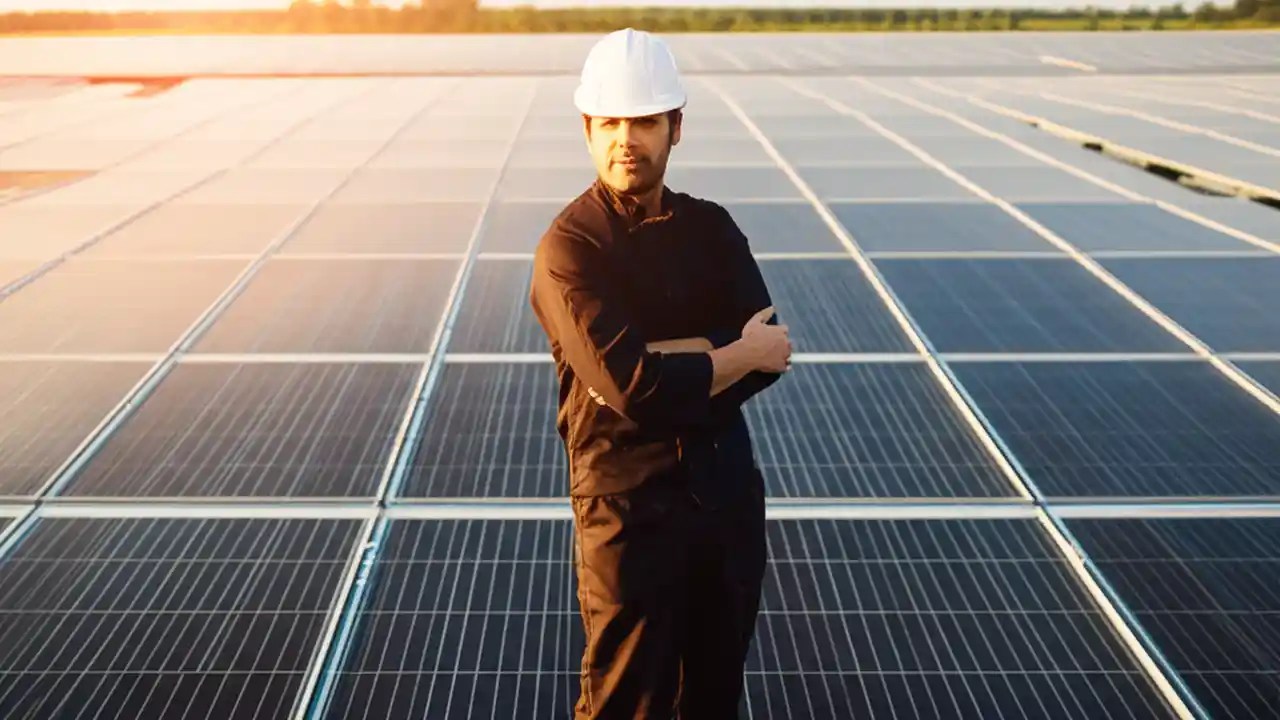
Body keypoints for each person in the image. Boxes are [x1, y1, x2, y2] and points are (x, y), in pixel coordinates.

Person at [527, 28, 793, 720]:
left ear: (675, 128)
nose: (627, 138)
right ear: (587, 130)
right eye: (611, 121)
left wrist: (661, 365)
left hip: (725, 502)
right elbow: (638, 389)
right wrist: (725, 357)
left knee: (712, 701)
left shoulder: (712, 228)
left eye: (644, 121)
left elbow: (772, 361)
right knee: (625, 704)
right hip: (626, 513)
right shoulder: (570, 248)